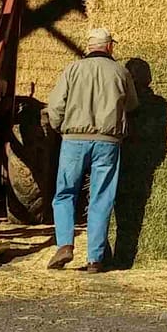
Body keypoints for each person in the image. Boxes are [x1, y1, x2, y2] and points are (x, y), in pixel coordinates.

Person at [43, 28, 138, 272]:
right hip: (108, 141)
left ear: (89, 47)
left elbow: (55, 106)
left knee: (65, 193)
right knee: (101, 197)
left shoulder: (72, 70)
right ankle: (95, 258)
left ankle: (65, 244)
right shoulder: (120, 72)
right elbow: (132, 104)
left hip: (74, 140)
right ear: (109, 47)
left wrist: (61, 128)